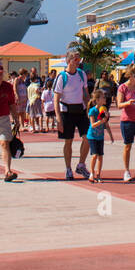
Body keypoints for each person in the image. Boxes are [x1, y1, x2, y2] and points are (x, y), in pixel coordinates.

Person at [53, 50, 93, 180]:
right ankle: (68, 168)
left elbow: (85, 93)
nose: (78, 62)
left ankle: (81, 164)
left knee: (87, 137)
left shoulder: (81, 75)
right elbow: (56, 98)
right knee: (68, 141)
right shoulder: (62, 77)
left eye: (79, 60)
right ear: (69, 61)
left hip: (81, 110)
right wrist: (58, 117)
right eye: (76, 60)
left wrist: (90, 108)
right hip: (66, 111)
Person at [86, 88, 114, 183]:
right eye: (103, 97)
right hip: (92, 136)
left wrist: (110, 135)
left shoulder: (104, 109)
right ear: (97, 100)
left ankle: (98, 174)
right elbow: (93, 125)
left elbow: (106, 124)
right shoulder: (92, 111)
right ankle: (92, 173)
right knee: (94, 155)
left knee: (100, 156)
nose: (105, 99)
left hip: (100, 136)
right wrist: (101, 121)